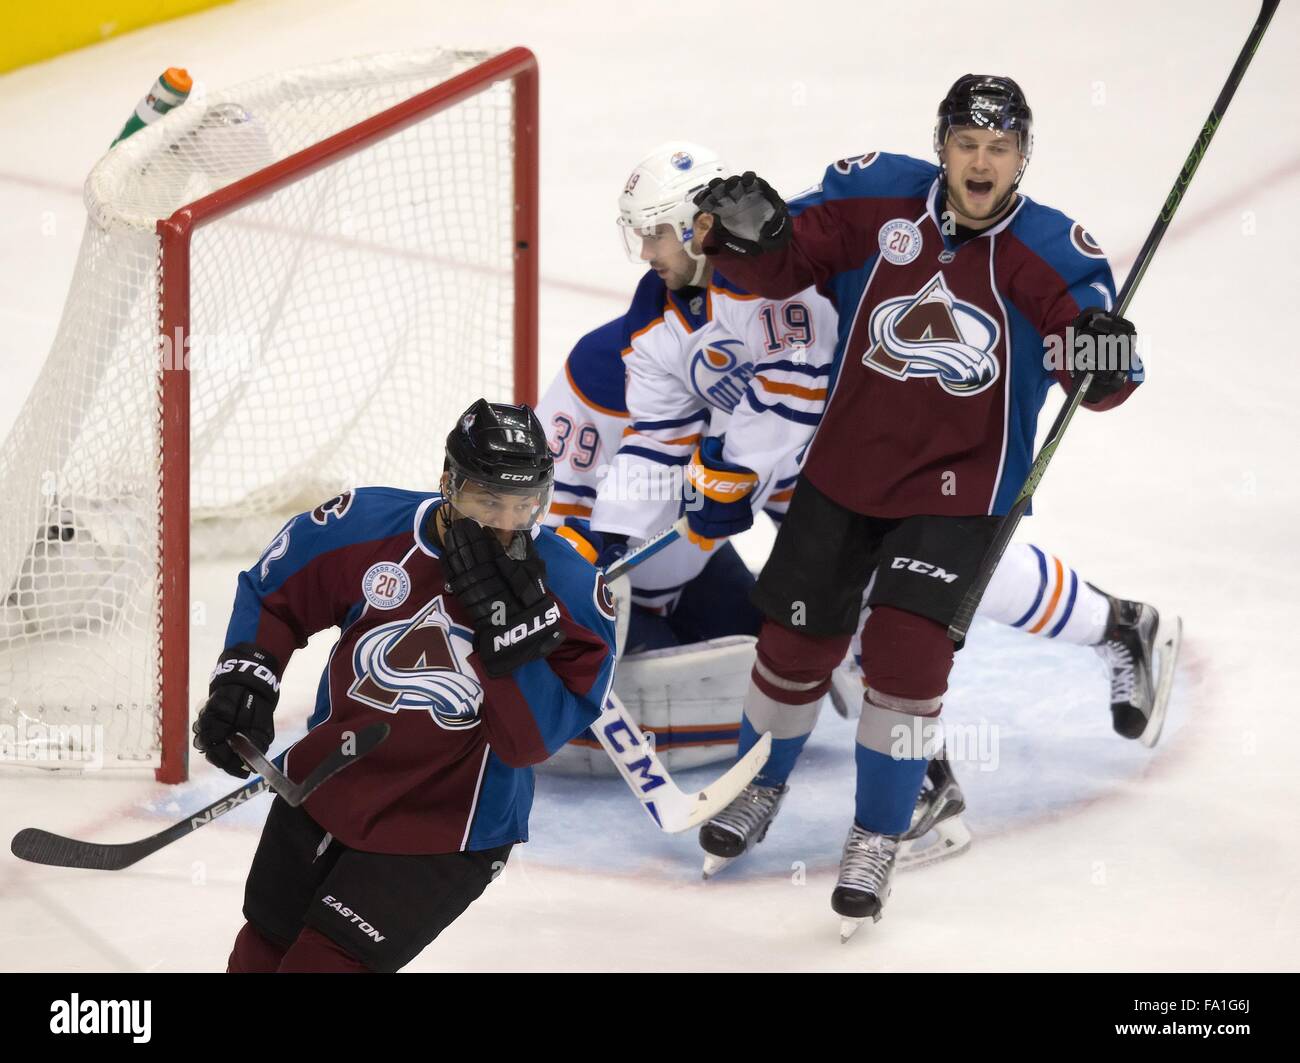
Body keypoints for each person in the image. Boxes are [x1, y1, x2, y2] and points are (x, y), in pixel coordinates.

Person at [537, 143, 1175, 848]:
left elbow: (798, 390)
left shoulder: (766, 283)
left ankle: (1106, 632)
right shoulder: (653, 324)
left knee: (928, 598)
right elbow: (658, 435)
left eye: (654, 231)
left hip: (861, 449)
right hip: (792, 469)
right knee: (829, 620)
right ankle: (1088, 647)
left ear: (694, 225)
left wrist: (727, 471)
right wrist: (606, 536)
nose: (644, 251)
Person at [689, 74, 1171, 936]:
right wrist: (750, 239)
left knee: (905, 659)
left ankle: (878, 832)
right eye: (967, 145)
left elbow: (1088, 358)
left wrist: (1107, 362)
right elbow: (785, 262)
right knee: (793, 643)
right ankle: (757, 785)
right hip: (845, 470)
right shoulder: (876, 197)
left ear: (1024, 156)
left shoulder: (1052, 253)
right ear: (942, 145)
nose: (981, 163)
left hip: (963, 489)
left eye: (1001, 148)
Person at [193, 400, 616, 972]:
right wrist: (248, 677)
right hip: (328, 782)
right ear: (448, 483)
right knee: (259, 952)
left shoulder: (567, 590)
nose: (506, 522)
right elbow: (275, 594)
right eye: (487, 499)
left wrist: (506, 642)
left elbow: (528, 746)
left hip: (447, 828)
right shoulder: (365, 527)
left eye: (524, 503)